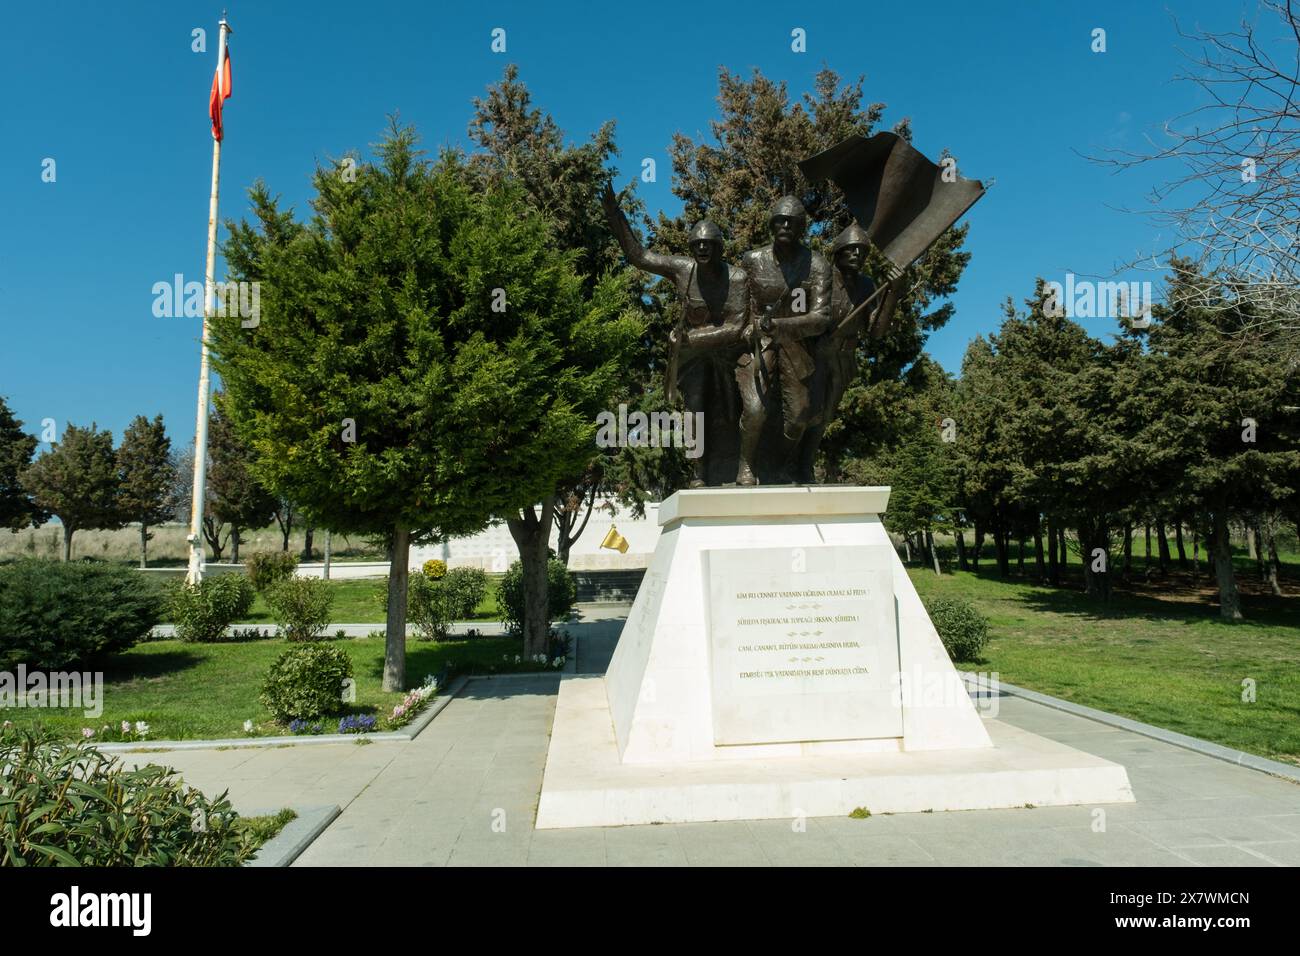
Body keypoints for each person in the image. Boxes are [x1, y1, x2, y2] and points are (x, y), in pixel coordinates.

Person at [600, 184, 754, 486]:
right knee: (694, 410)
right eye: (697, 244)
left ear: (720, 247)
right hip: (692, 358)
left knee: (742, 408)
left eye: (708, 243)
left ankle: (742, 467)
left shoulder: (737, 278)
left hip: (729, 353)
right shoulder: (684, 270)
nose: (702, 249)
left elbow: (736, 327)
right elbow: (640, 256)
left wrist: (692, 339)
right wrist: (615, 216)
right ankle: (698, 470)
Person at [796, 222, 901, 482]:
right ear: (838, 252)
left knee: (826, 415)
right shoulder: (821, 279)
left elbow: (875, 331)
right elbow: (799, 314)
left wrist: (892, 293)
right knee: (809, 410)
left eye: (862, 252)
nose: (857, 256)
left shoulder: (867, 286)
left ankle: (805, 464)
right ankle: (790, 462)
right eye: (852, 250)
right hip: (816, 355)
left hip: (843, 360)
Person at [740, 195, 832, 482]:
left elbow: (821, 318)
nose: (784, 226)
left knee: (799, 416)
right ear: (771, 224)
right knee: (755, 409)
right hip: (759, 343)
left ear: (802, 227)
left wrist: (778, 326)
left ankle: (780, 464)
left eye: (791, 222)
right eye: (779, 220)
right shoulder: (753, 260)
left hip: (797, 346)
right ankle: (745, 465)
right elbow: (743, 306)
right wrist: (750, 327)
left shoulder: (817, 264)